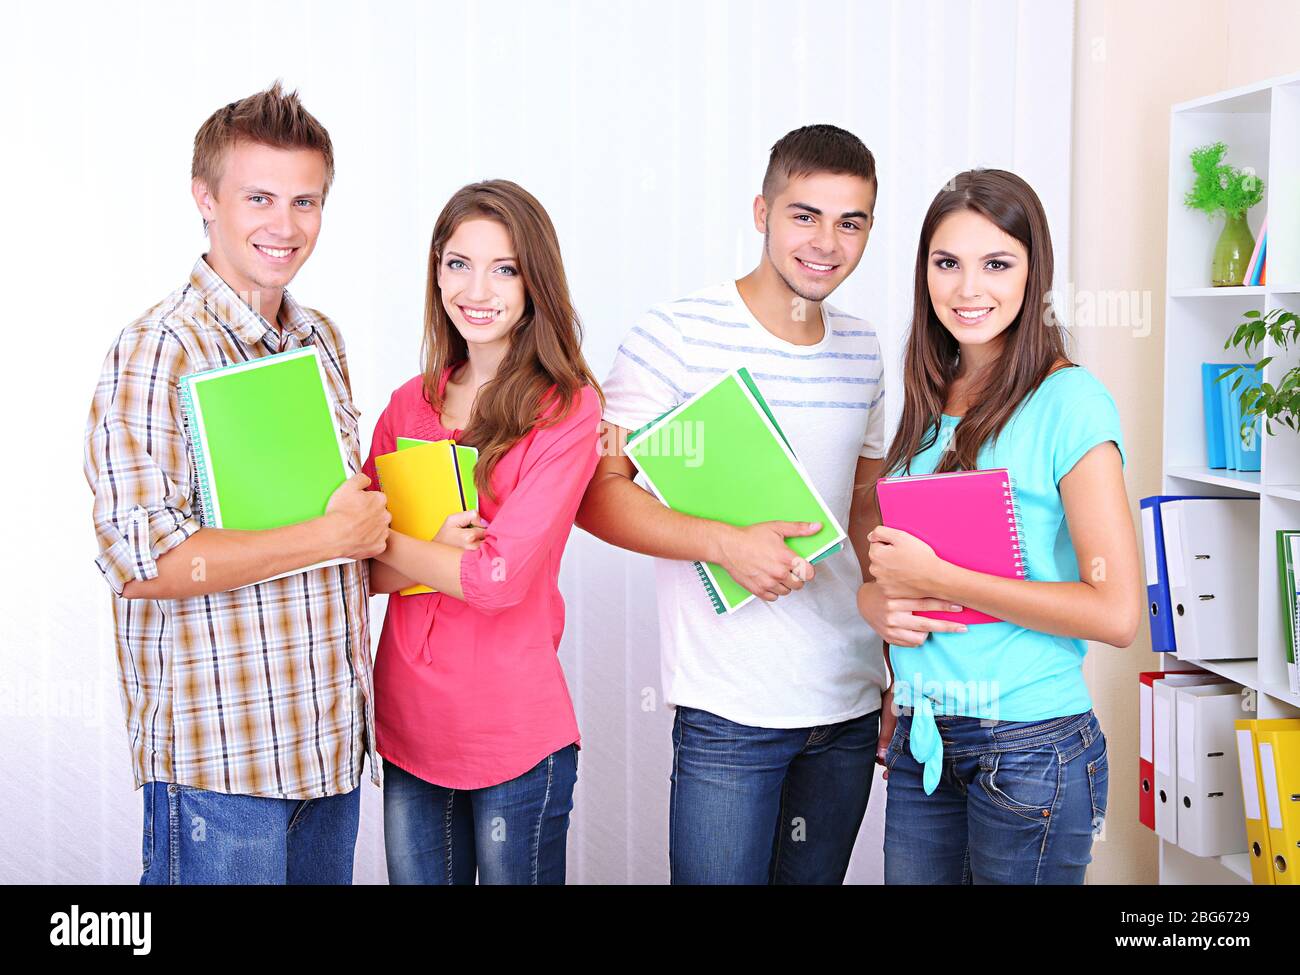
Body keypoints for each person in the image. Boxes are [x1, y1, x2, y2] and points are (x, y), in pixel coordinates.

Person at [83, 82, 390, 885]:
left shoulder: (320, 338)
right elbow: (142, 562)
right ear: (205, 198)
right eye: (258, 197)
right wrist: (330, 536)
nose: (283, 226)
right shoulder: (161, 348)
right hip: (222, 768)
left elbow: (347, 528)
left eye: (305, 201)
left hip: (328, 754)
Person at [577, 125, 890, 884]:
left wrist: (892, 665)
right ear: (762, 211)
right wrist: (724, 543)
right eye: (804, 215)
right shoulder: (674, 335)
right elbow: (596, 495)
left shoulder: (863, 347)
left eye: (850, 222)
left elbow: (864, 512)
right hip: (730, 712)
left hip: (846, 705)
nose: (826, 242)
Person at [859, 168, 1141, 885]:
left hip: (1029, 748)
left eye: (996, 264)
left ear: (1033, 275)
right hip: (926, 742)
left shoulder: (1069, 401)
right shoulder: (931, 395)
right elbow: (898, 580)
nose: (967, 289)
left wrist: (943, 580)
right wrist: (879, 607)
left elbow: (1115, 612)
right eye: (946, 263)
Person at [363, 180, 603, 885]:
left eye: (504, 268)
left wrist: (396, 545)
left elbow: (496, 581)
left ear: (535, 283)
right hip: (407, 728)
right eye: (458, 263)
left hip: (515, 740)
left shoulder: (568, 411)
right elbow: (352, 568)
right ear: (436, 271)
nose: (479, 288)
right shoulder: (408, 405)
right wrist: (431, 550)